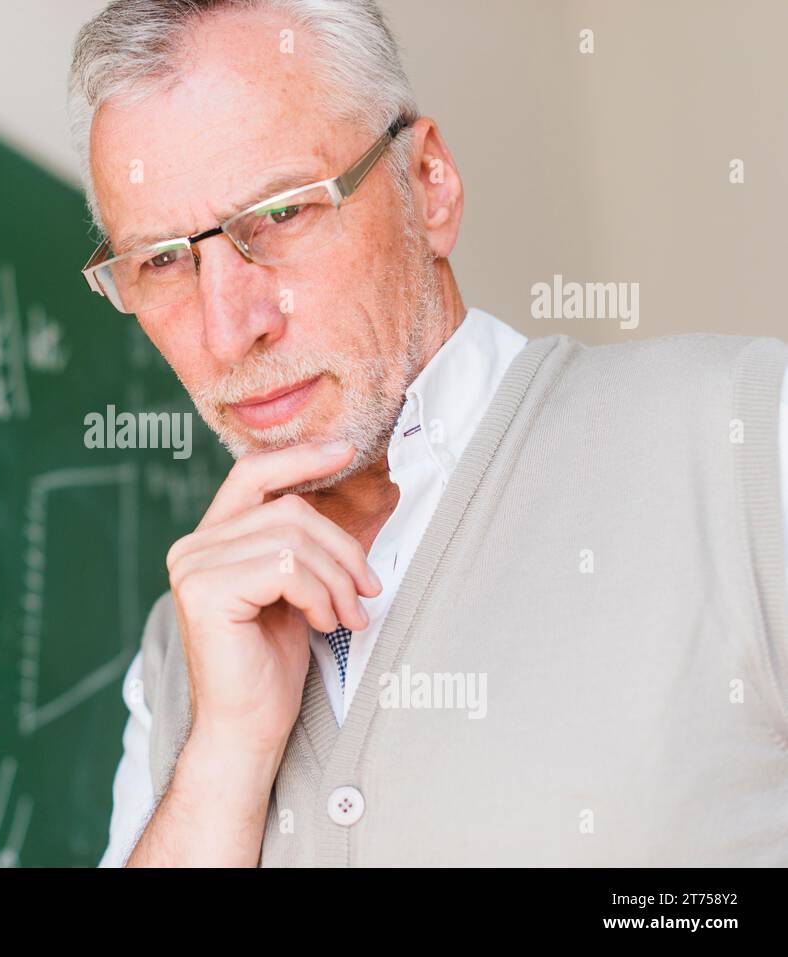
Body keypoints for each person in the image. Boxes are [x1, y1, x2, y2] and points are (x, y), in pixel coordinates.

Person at [68, 0, 788, 866]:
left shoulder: (747, 435)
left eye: (283, 213)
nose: (229, 329)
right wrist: (225, 754)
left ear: (430, 185)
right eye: (162, 261)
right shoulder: (176, 666)